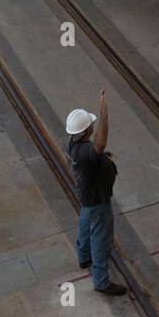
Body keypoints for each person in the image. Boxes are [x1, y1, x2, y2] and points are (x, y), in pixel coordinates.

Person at [65, 91, 126, 296]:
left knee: (85, 223)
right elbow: (100, 143)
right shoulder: (85, 152)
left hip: (87, 198)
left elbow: (96, 151)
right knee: (101, 238)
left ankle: (83, 256)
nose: (93, 126)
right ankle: (101, 281)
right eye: (91, 124)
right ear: (86, 131)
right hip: (98, 200)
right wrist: (103, 113)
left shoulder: (72, 144)